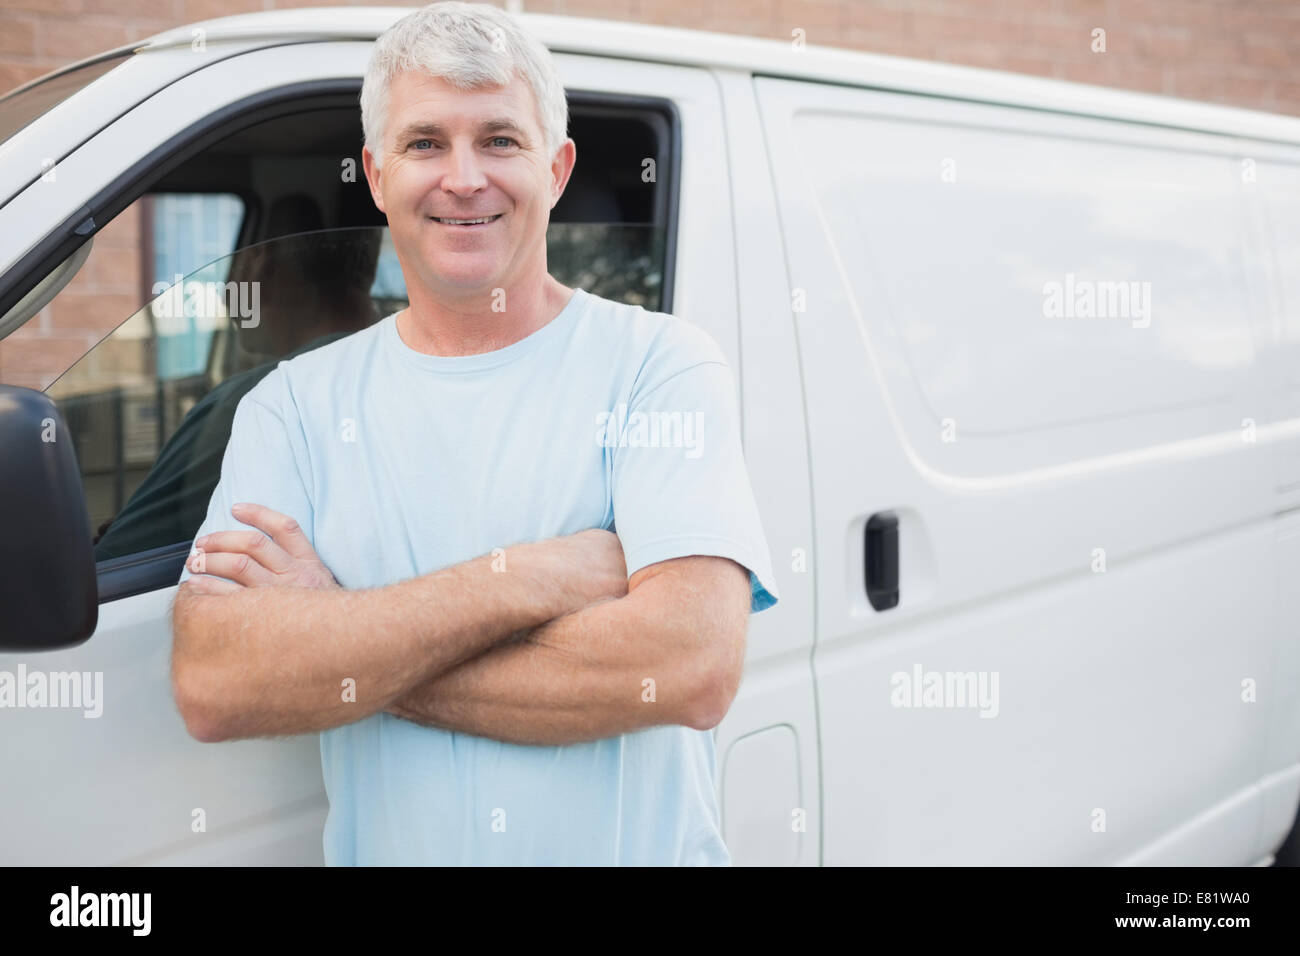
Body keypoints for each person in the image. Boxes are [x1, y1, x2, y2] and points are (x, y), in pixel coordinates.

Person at [171, 0, 779, 866]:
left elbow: (689, 665)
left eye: (499, 140)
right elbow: (217, 683)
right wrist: (537, 575)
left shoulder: (658, 367)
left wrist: (339, 642)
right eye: (426, 143)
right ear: (378, 177)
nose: (463, 178)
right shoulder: (294, 406)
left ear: (557, 168)